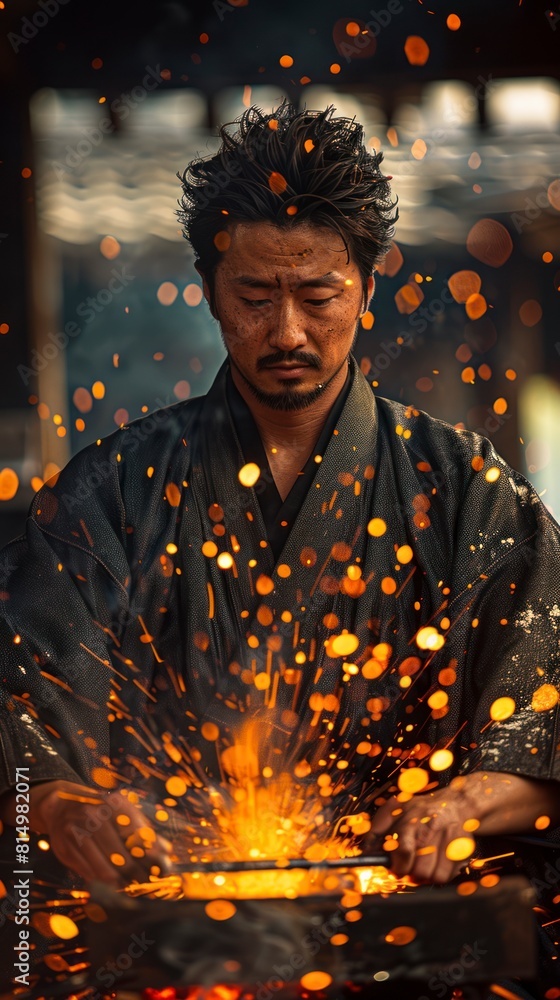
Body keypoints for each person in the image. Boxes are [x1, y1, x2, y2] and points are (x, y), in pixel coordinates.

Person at [0, 101, 559, 996]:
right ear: (212, 289)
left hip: (407, 947)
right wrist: (59, 803)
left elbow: (544, 753)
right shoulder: (108, 495)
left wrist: (466, 799)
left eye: (318, 296)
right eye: (257, 298)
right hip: (170, 946)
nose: (288, 332)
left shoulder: (467, 495)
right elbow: (24, 732)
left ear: (368, 289)